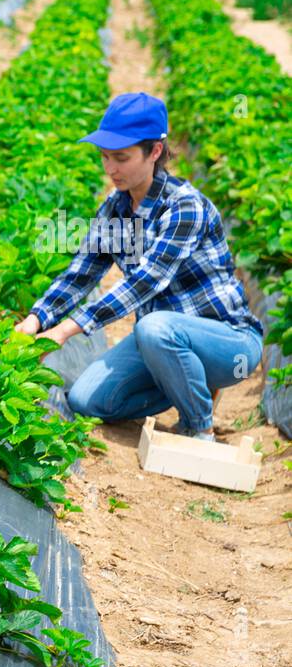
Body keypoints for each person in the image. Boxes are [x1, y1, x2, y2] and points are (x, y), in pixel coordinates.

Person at [15, 92, 263, 441]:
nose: (110, 169)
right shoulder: (115, 209)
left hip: (227, 341)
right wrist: (36, 320)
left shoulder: (184, 206)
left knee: (153, 326)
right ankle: (186, 384)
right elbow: (81, 273)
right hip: (160, 345)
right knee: (87, 400)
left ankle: (198, 425)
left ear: (155, 152)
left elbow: (145, 282)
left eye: (121, 157)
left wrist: (64, 331)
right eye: (104, 157)